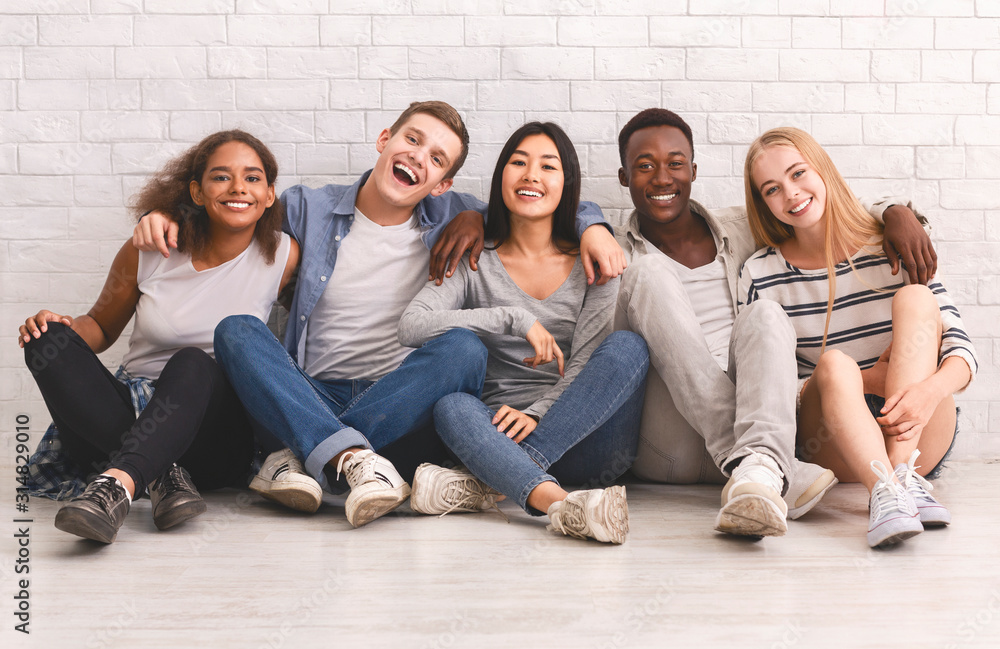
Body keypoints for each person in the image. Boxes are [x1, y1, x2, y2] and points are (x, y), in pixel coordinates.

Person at [135, 101, 626, 527]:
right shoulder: (307, 207)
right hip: (306, 393)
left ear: (442, 184)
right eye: (412, 140)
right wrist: (171, 214)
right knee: (237, 330)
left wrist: (594, 224)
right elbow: (234, 208)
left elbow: (533, 200)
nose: (418, 157)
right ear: (385, 139)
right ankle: (347, 457)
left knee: (461, 348)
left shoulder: (454, 217)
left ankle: (306, 459)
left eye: (436, 159)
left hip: (400, 406)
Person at [613, 108, 938, 538]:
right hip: (670, 440)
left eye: (674, 163)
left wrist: (895, 211)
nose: (662, 178)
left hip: (760, 421)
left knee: (765, 312)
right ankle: (768, 465)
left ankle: (762, 468)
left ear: (694, 169)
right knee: (649, 274)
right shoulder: (610, 249)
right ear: (623, 177)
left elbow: (814, 205)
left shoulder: (739, 227)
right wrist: (587, 226)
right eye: (644, 166)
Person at [20, 130, 299, 544]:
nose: (239, 187)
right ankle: (159, 473)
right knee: (47, 340)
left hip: (213, 431)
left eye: (253, 178)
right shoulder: (148, 250)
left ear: (270, 194)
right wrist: (61, 326)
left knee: (192, 361)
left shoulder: (283, 255)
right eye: (221, 177)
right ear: (197, 192)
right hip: (121, 418)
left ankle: (118, 483)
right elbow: (99, 326)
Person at [399, 122, 649, 544]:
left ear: (566, 183)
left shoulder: (593, 260)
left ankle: (487, 483)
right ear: (501, 179)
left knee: (628, 347)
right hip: (494, 432)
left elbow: (587, 359)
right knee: (453, 406)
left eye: (548, 166)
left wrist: (537, 414)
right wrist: (510, 316)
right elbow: (412, 325)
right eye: (519, 163)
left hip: (581, 439)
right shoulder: (473, 258)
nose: (531, 174)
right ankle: (561, 505)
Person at [739, 126, 977, 548]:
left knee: (918, 297)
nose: (791, 194)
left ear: (823, 169)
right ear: (763, 203)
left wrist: (925, 393)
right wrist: (861, 379)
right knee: (834, 363)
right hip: (832, 437)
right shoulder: (761, 273)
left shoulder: (894, 244)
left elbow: (962, 352)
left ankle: (900, 477)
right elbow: (764, 389)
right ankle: (881, 487)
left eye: (798, 174)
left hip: (917, 430)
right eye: (772, 189)